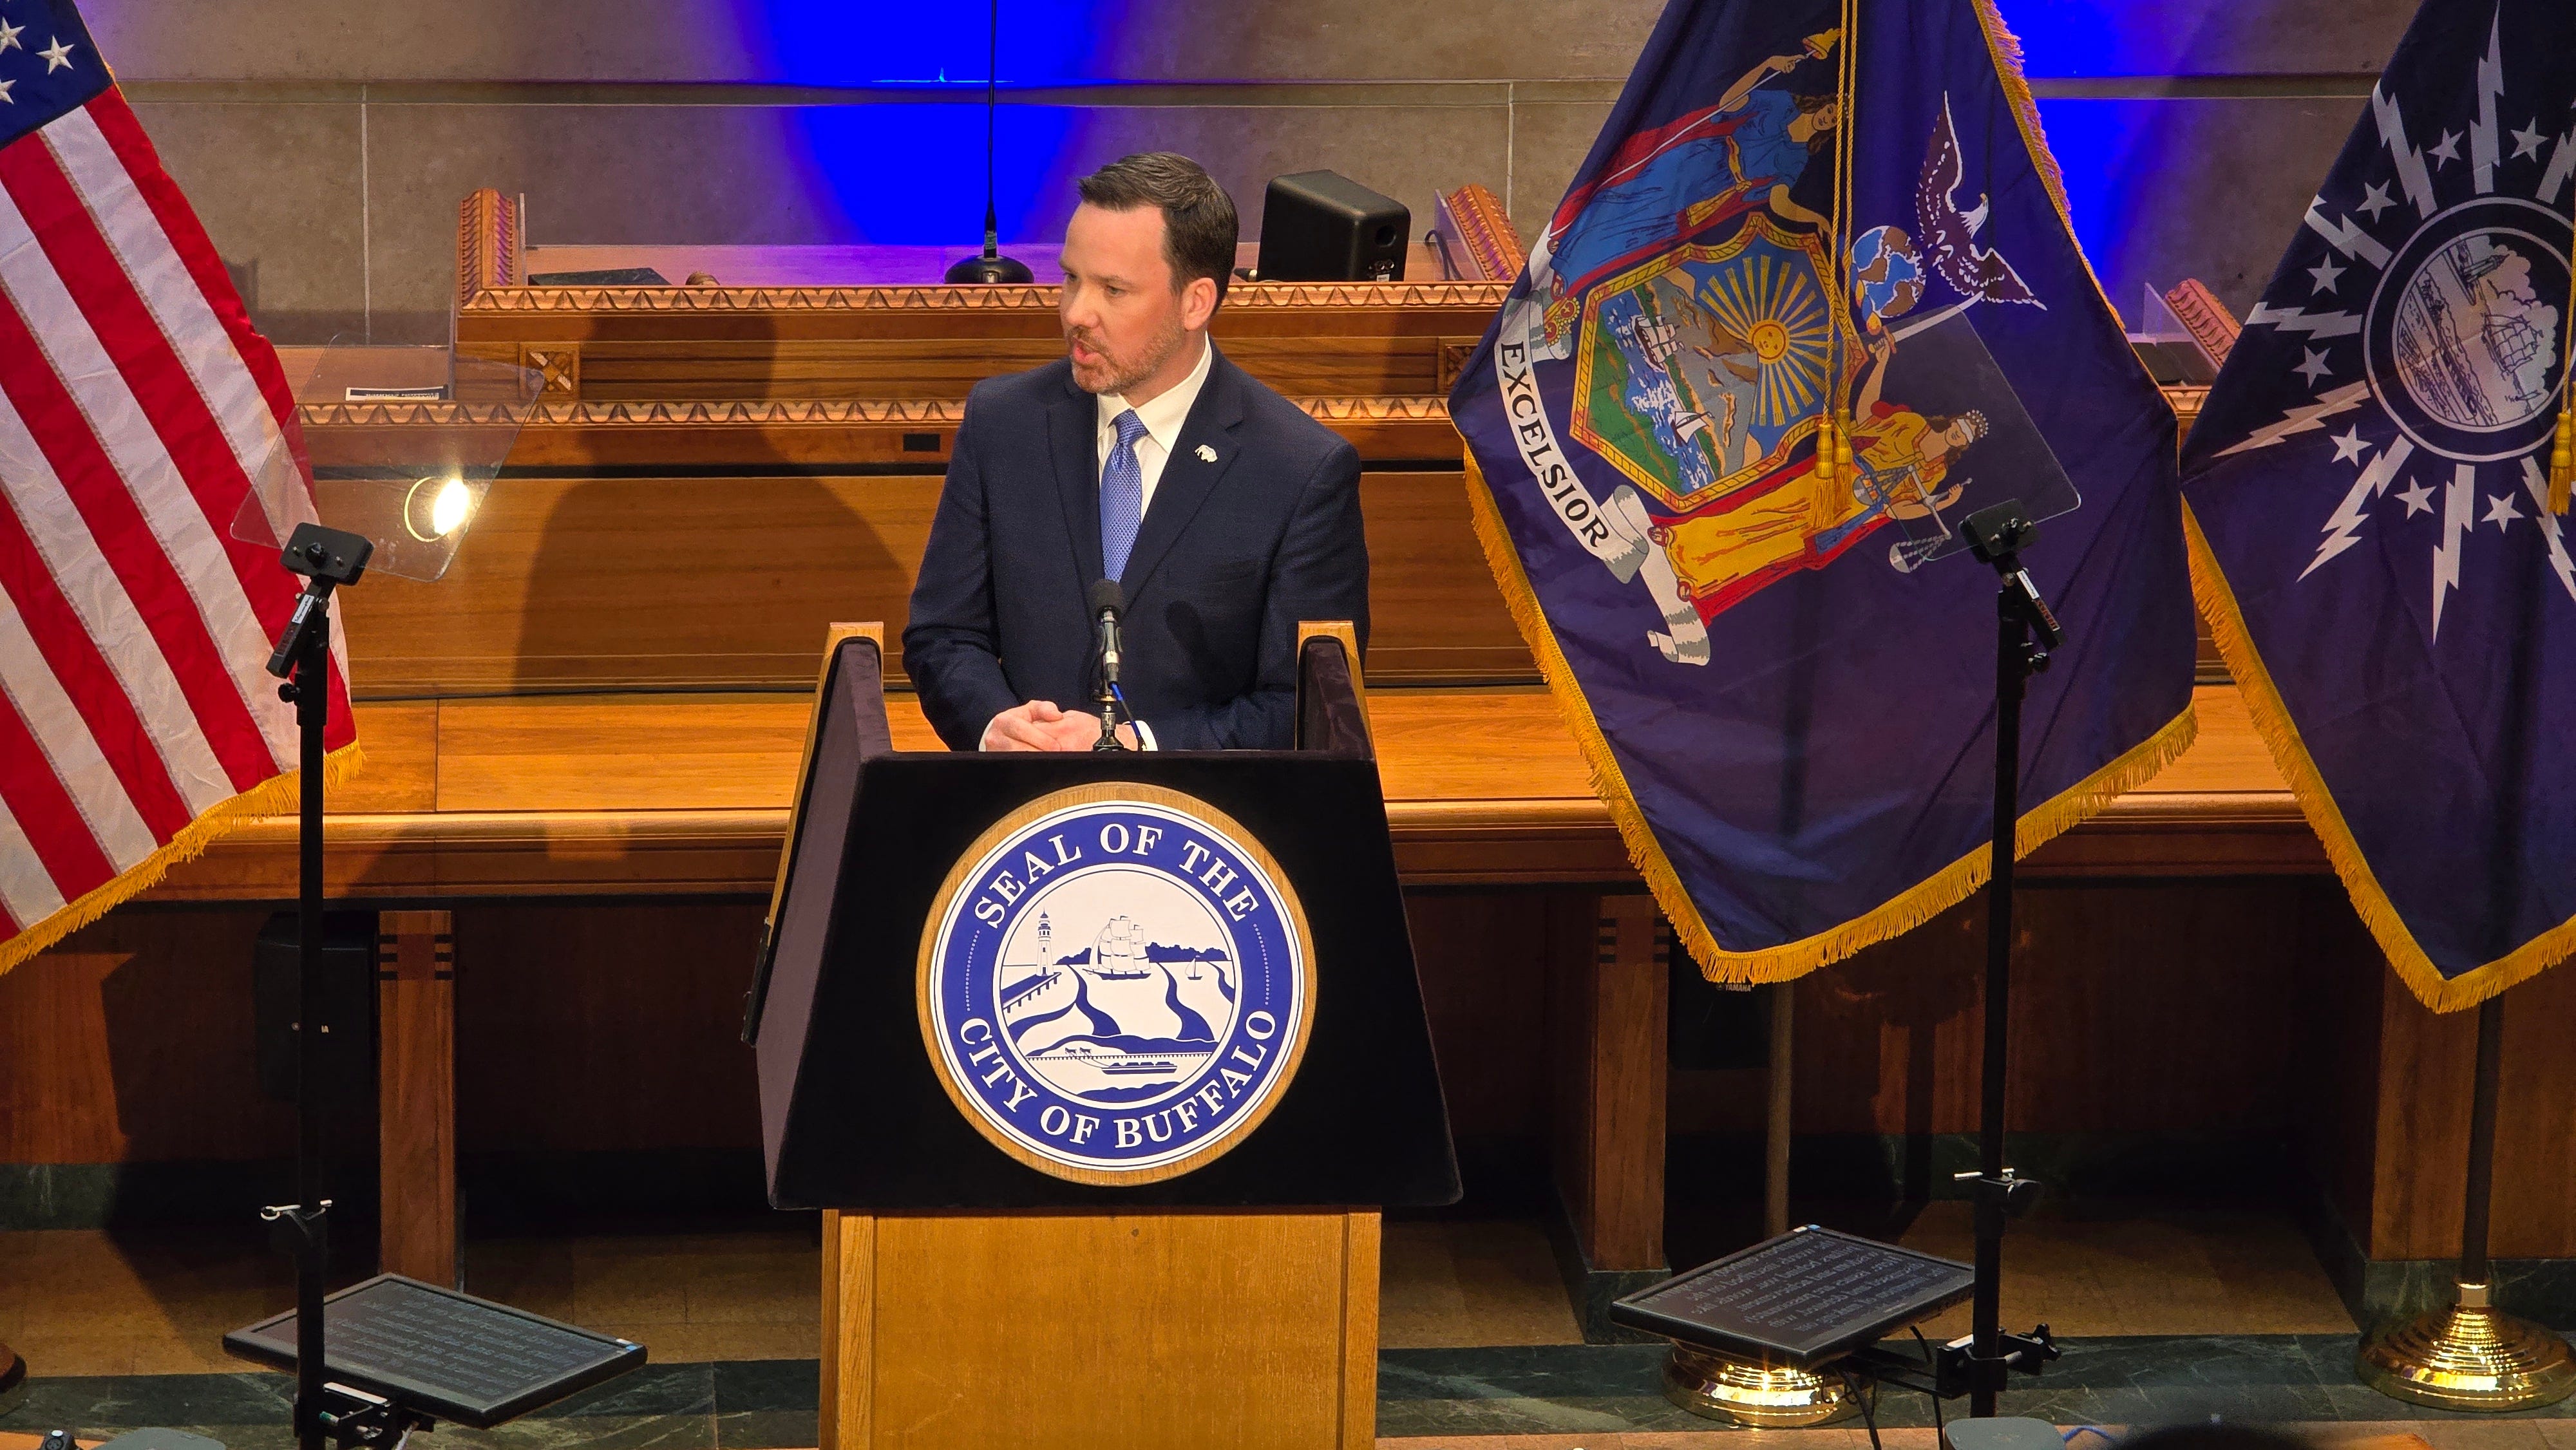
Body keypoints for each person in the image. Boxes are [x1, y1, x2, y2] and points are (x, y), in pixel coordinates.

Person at [904, 153, 1368, 751]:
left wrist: (1134, 743)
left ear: (1195, 301)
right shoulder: (1005, 423)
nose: (1076, 313)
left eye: (1113, 290)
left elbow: (1304, 704)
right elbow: (943, 635)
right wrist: (997, 726)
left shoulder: (1300, 469)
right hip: (1019, 815)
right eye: (1072, 278)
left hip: (1204, 828)